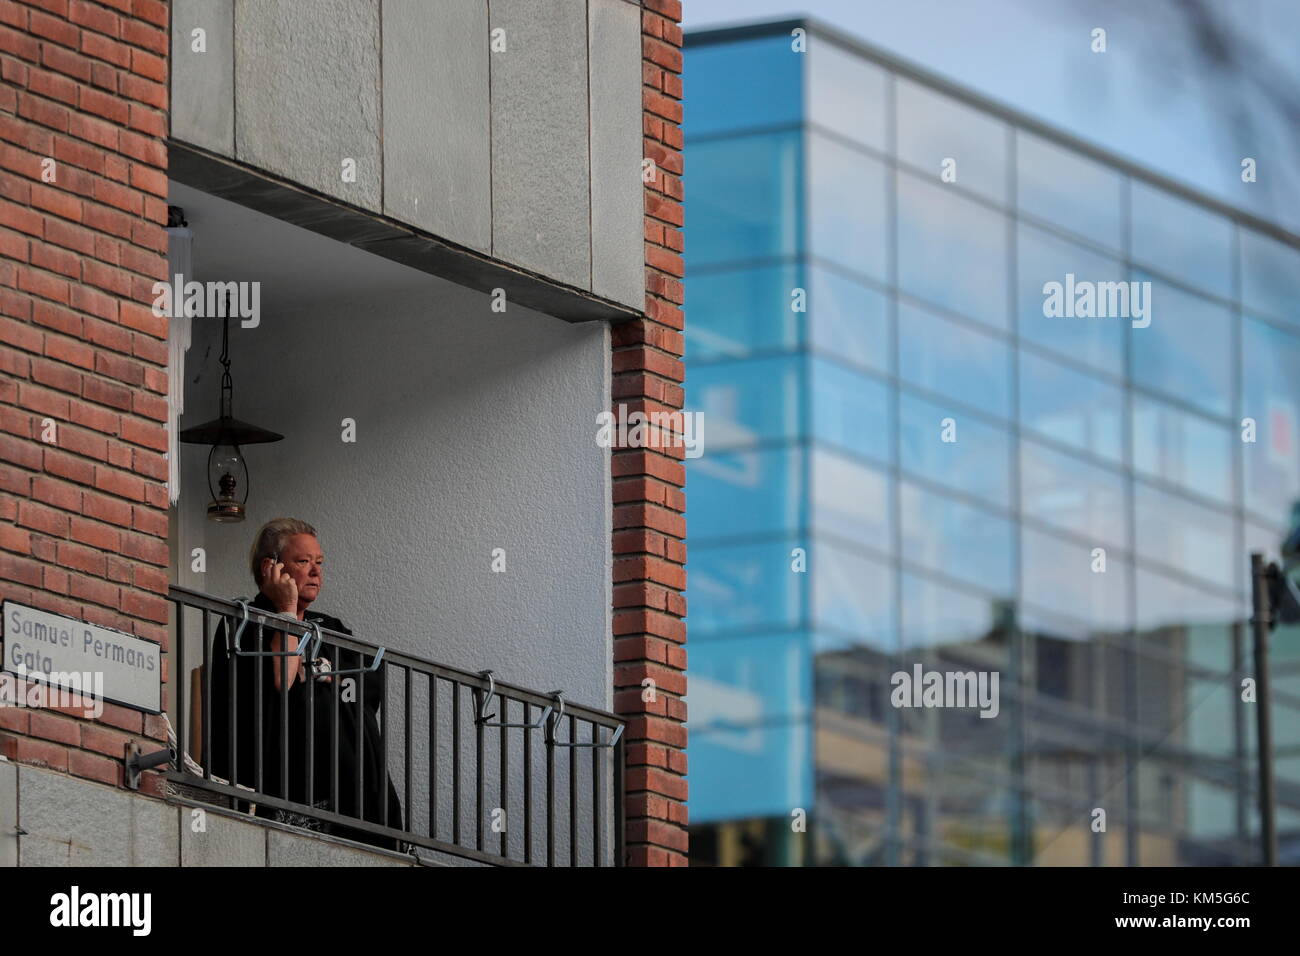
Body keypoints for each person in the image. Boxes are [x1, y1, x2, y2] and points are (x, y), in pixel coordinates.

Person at [206, 518, 404, 850]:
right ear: (271, 567)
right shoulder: (246, 620)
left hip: (352, 795)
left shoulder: (332, 628)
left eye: (319, 562)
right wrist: (285, 610)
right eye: (303, 561)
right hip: (287, 790)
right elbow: (282, 681)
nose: (316, 572)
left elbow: (365, 693)